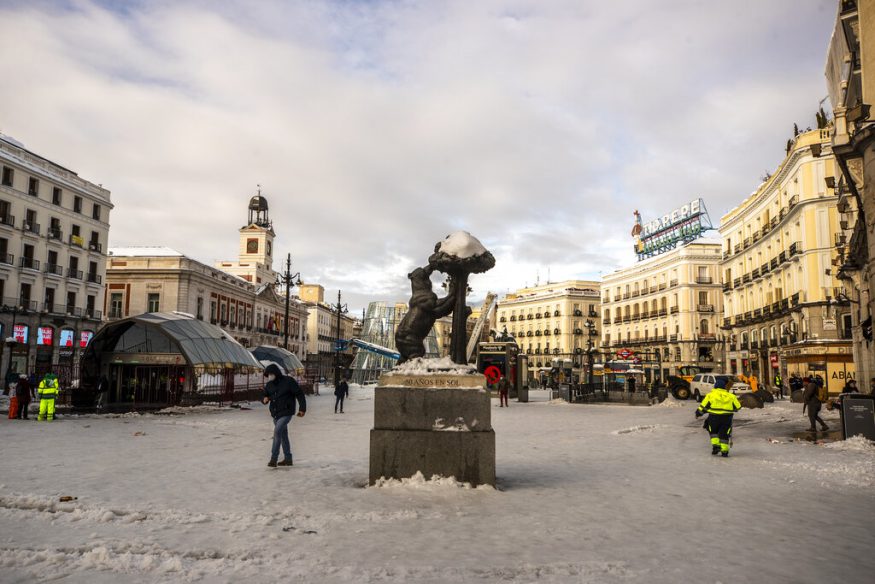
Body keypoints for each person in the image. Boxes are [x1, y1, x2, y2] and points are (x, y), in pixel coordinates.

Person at [262, 363, 306, 467]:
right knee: (283, 436)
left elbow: (299, 393)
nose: (269, 376)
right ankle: (288, 459)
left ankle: (273, 459)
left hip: (286, 412)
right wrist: (264, 399)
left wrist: (302, 409)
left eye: (271, 374)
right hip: (275, 414)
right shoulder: (269, 385)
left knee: (277, 432)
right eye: (268, 374)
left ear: (276, 373)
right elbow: (265, 395)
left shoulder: (288, 381)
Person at [695, 376, 742, 457]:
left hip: (713, 417)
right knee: (724, 433)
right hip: (726, 418)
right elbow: (738, 407)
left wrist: (698, 413)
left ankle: (716, 447)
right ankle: (724, 451)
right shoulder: (731, 396)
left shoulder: (710, 395)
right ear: (724, 386)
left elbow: (703, 407)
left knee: (713, 432)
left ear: (715, 386)